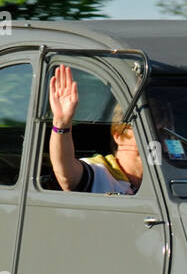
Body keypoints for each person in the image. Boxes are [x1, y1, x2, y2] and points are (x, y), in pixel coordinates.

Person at [47, 64, 141, 194]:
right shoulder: (100, 171)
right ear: (118, 135)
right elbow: (66, 174)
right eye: (155, 129)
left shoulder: (169, 179)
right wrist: (61, 123)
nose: (159, 138)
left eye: (166, 130)